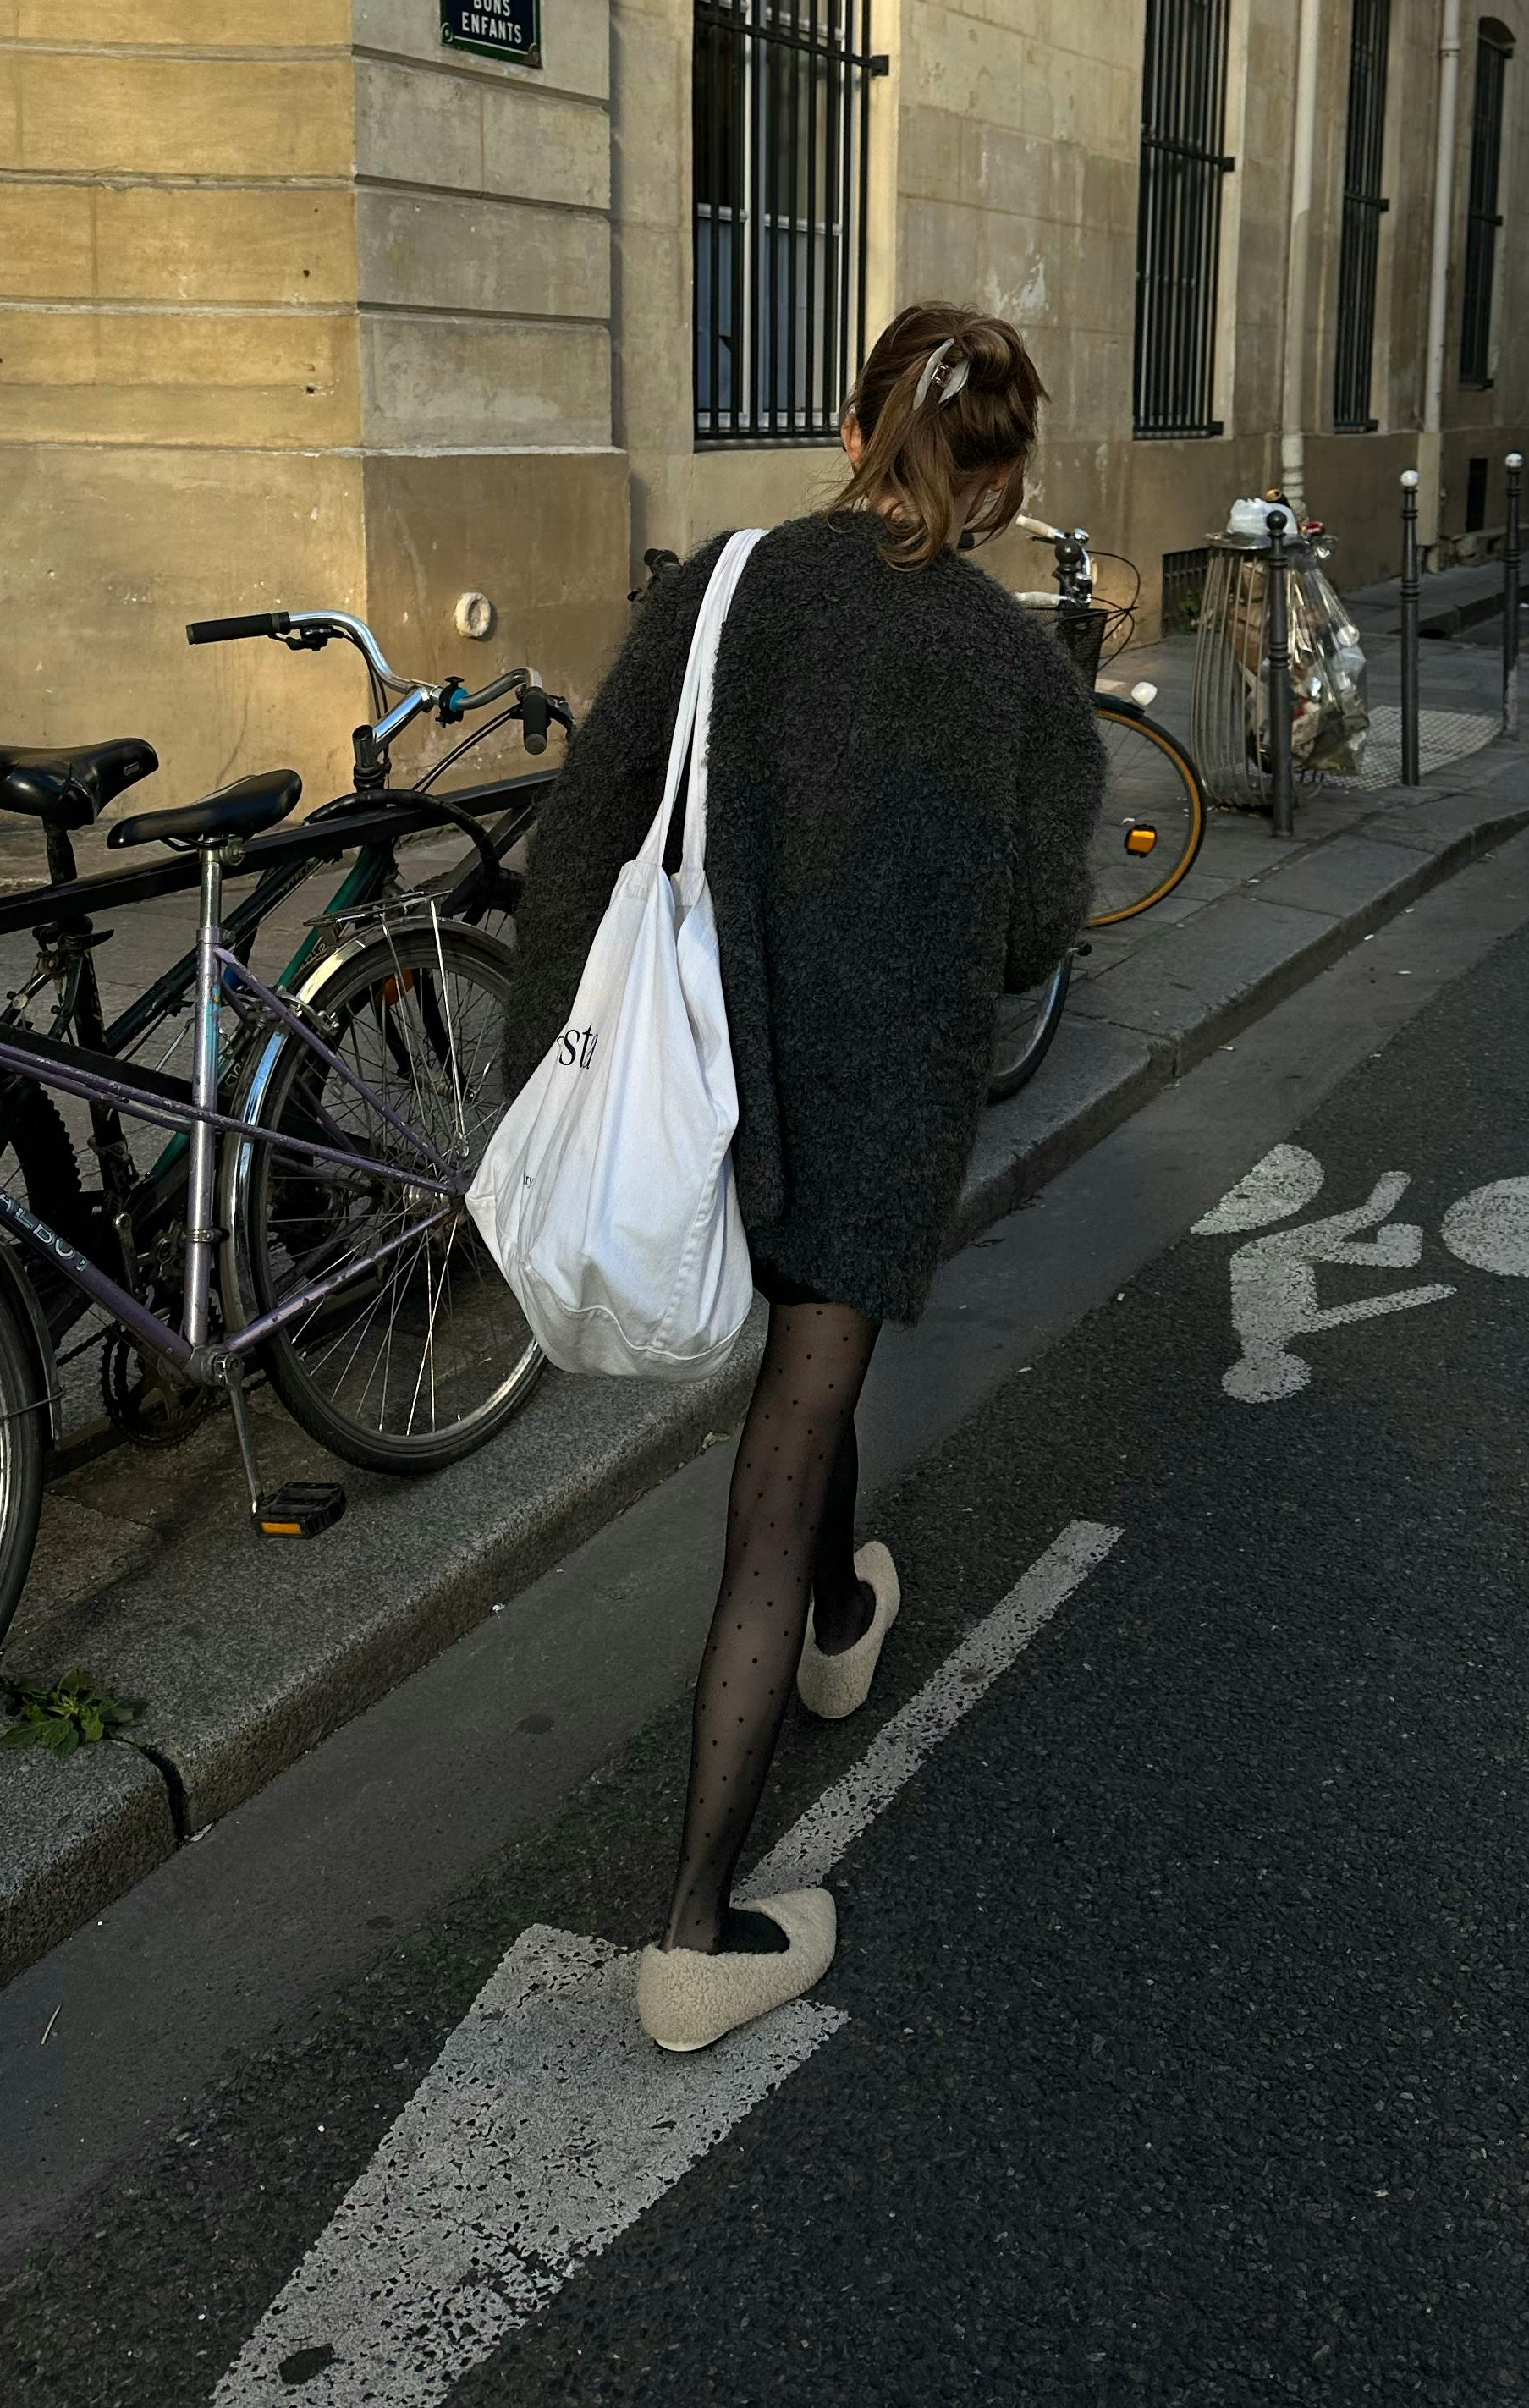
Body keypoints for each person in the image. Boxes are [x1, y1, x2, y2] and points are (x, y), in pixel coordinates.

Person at [499, 301, 1106, 2053]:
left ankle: (844, 1613)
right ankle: (695, 1933)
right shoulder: (1013, 670)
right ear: (996, 486)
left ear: (854, 428)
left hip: (701, 1081)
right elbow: (1027, 940)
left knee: (797, 1440)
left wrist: (556, 1064)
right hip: (874, 1111)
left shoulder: (725, 587)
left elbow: (587, 827)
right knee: (790, 1437)